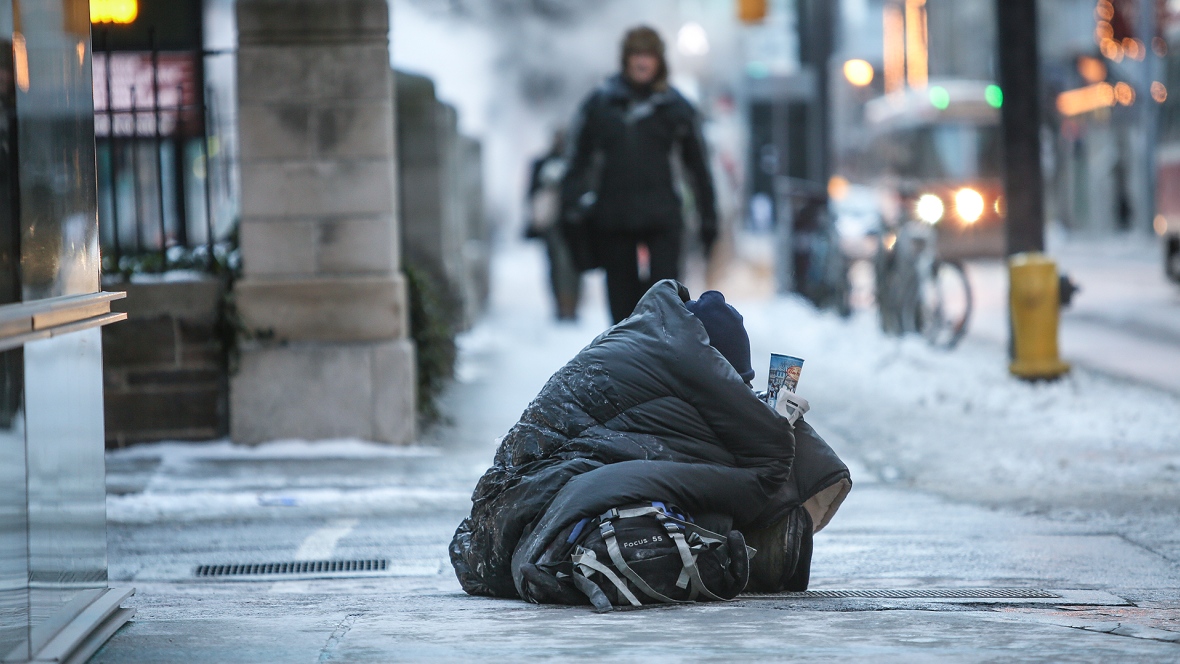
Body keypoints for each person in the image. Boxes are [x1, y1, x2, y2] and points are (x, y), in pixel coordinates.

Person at [450, 280, 852, 605]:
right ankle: (768, 554)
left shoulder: (644, 339)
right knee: (715, 512)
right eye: (736, 384)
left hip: (499, 517)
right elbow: (765, 469)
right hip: (526, 511)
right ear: (718, 372)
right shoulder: (681, 362)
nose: (740, 394)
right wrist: (775, 425)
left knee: (703, 497)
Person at [561, 26, 719, 324]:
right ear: (626, 59)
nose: (642, 62)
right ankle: (628, 354)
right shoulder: (600, 104)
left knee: (665, 308)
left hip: (662, 218)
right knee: (622, 313)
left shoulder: (675, 107)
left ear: (659, 60)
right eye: (636, 54)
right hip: (614, 218)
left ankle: (659, 354)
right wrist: (571, 210)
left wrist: (709, 218)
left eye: (649, 55)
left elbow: (698, 168)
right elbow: (577, 161)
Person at [525, 131, 581, 321]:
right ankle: (561, 304)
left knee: (573, 264)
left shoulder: (577, 161)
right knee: (557, 264)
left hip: (572, 222)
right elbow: (532, 193)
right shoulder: (542, 163)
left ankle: (571, 304)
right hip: (552, 222)